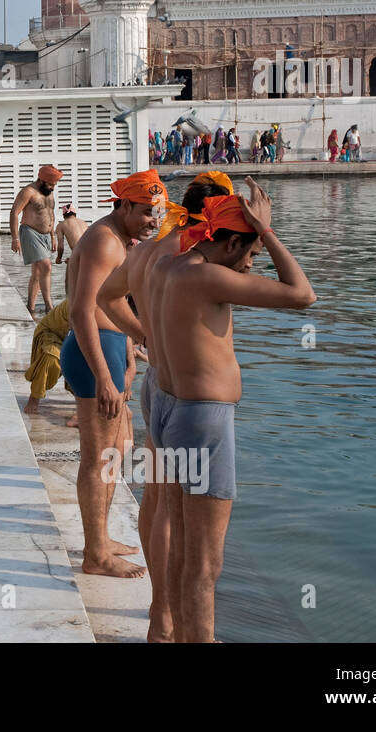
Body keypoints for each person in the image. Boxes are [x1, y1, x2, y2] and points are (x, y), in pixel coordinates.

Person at [146, 183, 315, 642]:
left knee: (183, 546)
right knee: (206, 563)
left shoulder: (167, 265)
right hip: (203, 421)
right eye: (253, 251)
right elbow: (302, 295)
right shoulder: (208, 277)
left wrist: (256, 232)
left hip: (168, 407)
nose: (252, 263)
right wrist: (269, 229)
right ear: (232, 241)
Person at [95, 169, 234, 642]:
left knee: (158, 501)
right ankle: (176, 623)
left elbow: (105, 296)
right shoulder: (197, 256)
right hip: (191, 399)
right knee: (180, 519)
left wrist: (145, 334)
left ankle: (160, 616)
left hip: (159, 386)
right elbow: (297, 295)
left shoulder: (156, 249)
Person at [61, 170, 165, 579]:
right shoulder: (105, 241)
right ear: (123, 206)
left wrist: (129, 355)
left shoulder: (120, 238)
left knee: (117, 449)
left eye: (156, 214)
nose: (152, 221)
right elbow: (81, 310)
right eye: (144, 213)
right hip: (93, 355)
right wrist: (104, 375)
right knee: (97, 457)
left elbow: (115, 304)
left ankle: (100, 540)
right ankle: (96, 555)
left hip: (110, 348)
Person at [10, 165, 63, 318]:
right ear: (41, 180)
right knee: (47, 266)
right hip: (30, 232)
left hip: (46, 235)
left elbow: (50, 214)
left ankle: (30, 306)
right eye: (50, 184)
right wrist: (15, 238)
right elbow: (14, 212)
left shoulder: (49, 192)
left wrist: (52, 235)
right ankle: (49, 306)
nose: (53, 187)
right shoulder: (28, 191)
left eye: (54, 185)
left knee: (37, 272)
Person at [23, 297, 70, 416]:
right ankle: (35, 397)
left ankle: (87, 399)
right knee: (52, 356)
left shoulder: (112, 301)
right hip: (50, 332)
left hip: (73, 334)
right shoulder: (80, 300)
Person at [54, 203, 89, 269]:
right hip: (94, 252)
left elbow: (61, 247)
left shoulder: (61, 225)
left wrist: (59, 258)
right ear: (75, 214)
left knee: (71, 276)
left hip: (80, 255)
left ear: (63, 216)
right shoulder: (84, 223)